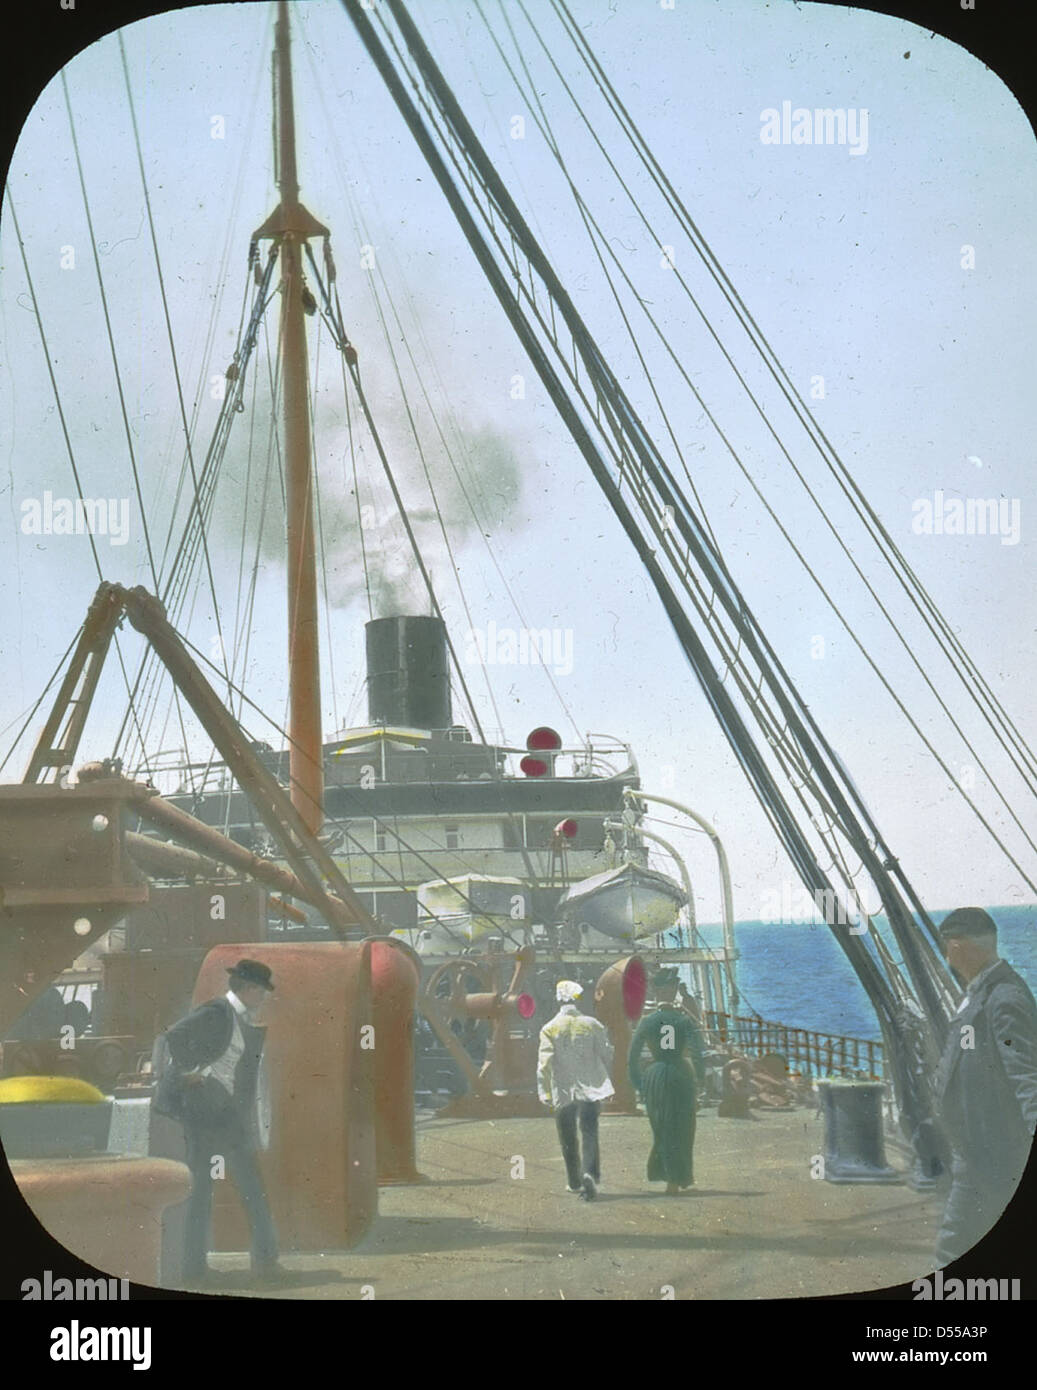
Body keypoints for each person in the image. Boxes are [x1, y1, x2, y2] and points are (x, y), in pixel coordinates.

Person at [162, 958, 283, 1286]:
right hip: (203, 1116)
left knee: (249, 1186)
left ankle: (264, 1259)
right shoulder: (216, 1012)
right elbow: (174, 1037)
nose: (264, 998)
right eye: (261, 992)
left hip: (226, 1116)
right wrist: (195, 1073)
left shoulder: (241, 1017)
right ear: (249, 989)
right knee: (201, 1191)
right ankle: (193, 1268)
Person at [933, 908, 1037, 1267]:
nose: (946, 958)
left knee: (954, 1245)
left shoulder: (1004, 998)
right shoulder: (985, 991)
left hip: (989, 1154)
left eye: (947, 949)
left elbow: (1027, 1079)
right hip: (978, 1147)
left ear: (958, 946)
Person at [628, 969, 707, 1195]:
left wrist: (639, 1085)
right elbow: (697, 1051)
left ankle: (667, 1174)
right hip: (681, 1075)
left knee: (661, 1126)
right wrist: (700, 1078)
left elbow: (632, 1057)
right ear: (671, 992)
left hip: (655, 1075)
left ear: (656, 992)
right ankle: (678, 1176)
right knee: (683, 1127)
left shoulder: (647, 1021)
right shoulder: (683, 1020)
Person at [537, 980, 615, 1200]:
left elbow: (544, 1065)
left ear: (558, 999)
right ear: (578, 999)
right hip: (590, 1089)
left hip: (562, 1090)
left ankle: (574, 1181)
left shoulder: (549, 1028)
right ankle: (589, 1172)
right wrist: (604, 1080)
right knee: (590, 1131)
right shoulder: (593, 1024)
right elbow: (606, 1054)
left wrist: (544, 1092)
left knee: (567, 1136)